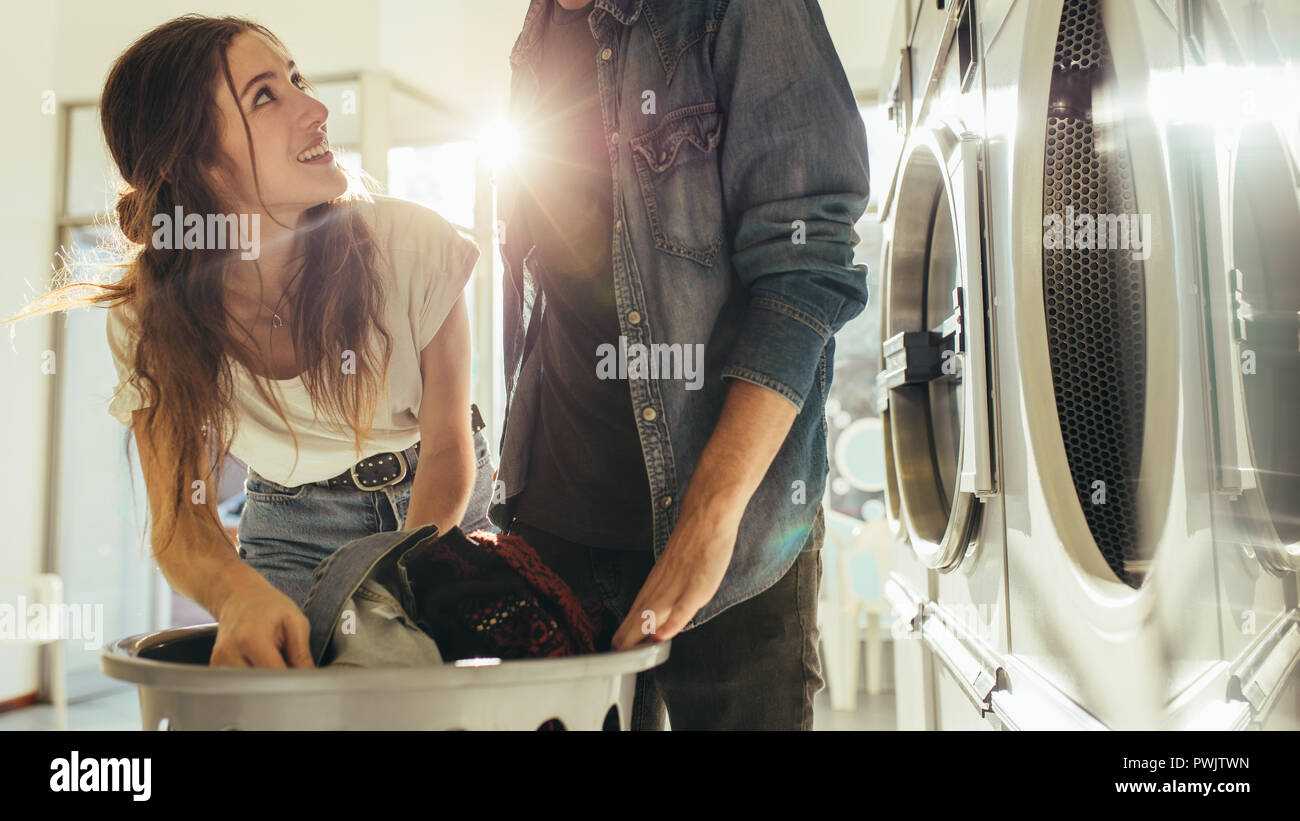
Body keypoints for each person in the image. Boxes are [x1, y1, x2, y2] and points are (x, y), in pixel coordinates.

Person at [6, 14, 489, 669]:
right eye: (266, 95)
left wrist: (394, 588)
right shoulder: (154, 316)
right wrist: (238, 596)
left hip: (443, 500)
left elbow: (447, 448)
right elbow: (181, 519)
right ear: (193, 159)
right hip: (294, 522)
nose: (316, 108)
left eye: (296, 79)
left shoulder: (414, 247)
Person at [492, 0, 870, 729]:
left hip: (731, 551)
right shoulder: (535, 34)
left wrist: (707, 522)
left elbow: (806, 264)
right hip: (554, 534)